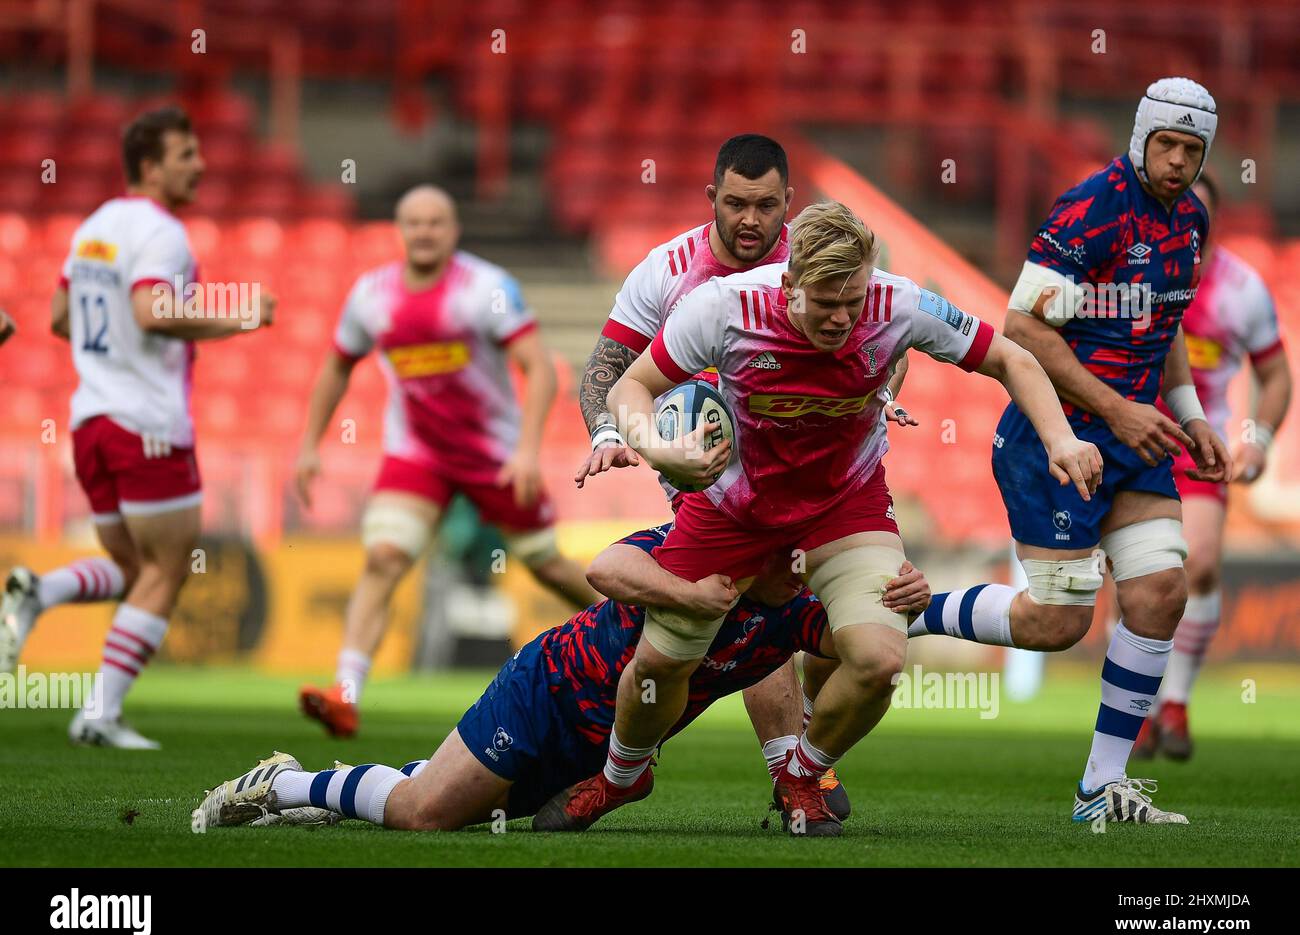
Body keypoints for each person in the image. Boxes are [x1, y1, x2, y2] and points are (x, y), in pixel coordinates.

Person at [547, 200, 1098, 837]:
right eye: (825, 302)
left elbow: (1012, 358)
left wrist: (1060, 439)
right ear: (788, 284)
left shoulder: (898, 303)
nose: (842, 318)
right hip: (733, 506)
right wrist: (663, 451)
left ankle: (803, 776)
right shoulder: (723, 307)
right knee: (659, 666)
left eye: (854, 300)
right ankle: (621, 778)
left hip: (845, 505)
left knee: (878, 661)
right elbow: (629, 388)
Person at [907, 78, 1232, 823]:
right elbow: (1023, 329)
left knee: (1160, 594)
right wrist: (1117, 410)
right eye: (1168, 144)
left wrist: (1193, 415)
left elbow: (1165, 326)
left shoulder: (1190, 221)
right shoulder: (1092, 209)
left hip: (1135, 437)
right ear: (1141, 138)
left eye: (1193, 149)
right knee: (1057, 623)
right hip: (1055, 436)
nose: (1179, 161)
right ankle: (912, 611)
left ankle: (1099, 789)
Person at [573, 133, 912, 816]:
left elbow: (889, 338)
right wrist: (613, 433)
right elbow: (608, 368)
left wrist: (883, 390)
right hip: (709, 469)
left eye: (765, 205)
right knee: (756, 601)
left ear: (790, 202)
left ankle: (800, 764)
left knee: (818, 609)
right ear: (712, 200)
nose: (750, 219)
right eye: (735, 204)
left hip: (821, 462)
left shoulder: (820, 262)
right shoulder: (667, 270)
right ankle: (788, 771)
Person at [193, 524, 931, 832]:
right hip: (545, 691)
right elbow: (604, 568)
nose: (795, 564)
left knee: (467, 808)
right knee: (425, 813)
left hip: (604, 746)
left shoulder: (795, 610)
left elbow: (857, 654)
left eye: (804, 556)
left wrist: (901, 601)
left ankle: (356, 789)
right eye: (786, 553)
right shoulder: (696, 554)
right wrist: (687, 597)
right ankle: (284, 782)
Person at [0, 106, 276, 747]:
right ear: (150, 166)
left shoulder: (95, 226)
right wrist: (241, 316)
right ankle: (99, 713)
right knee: (168, 569)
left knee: (132, 569)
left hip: (91, 422)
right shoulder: (163, 233)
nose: (201, 165)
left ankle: (39, 590)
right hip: (148, 424)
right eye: (186, 155)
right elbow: (152, 313)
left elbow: (62, 317)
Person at [294, 185, 598, 738]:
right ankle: (346, 692)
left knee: (547, 565)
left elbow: (540, 367)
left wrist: (528, 450)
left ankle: (643, 632)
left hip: (494, 455)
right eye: (415, 222)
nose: (425, 231)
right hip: (418, 454)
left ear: (453, 230)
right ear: (400, 229)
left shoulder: (486, 289)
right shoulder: (371, 295)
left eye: (436, 222)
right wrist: (310, 443)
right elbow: (338, 365)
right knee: (384, 557)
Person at [1133, 173, 1290, 760]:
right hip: (1130, 440)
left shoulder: (1240, 289)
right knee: (1142, 583)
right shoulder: (1131, 271)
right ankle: (1141, 710)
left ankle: (1174, 703)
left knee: (1196, 567)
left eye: (1199, 215)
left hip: (1198, 450)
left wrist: (1258, 440)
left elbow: (1276, 376)